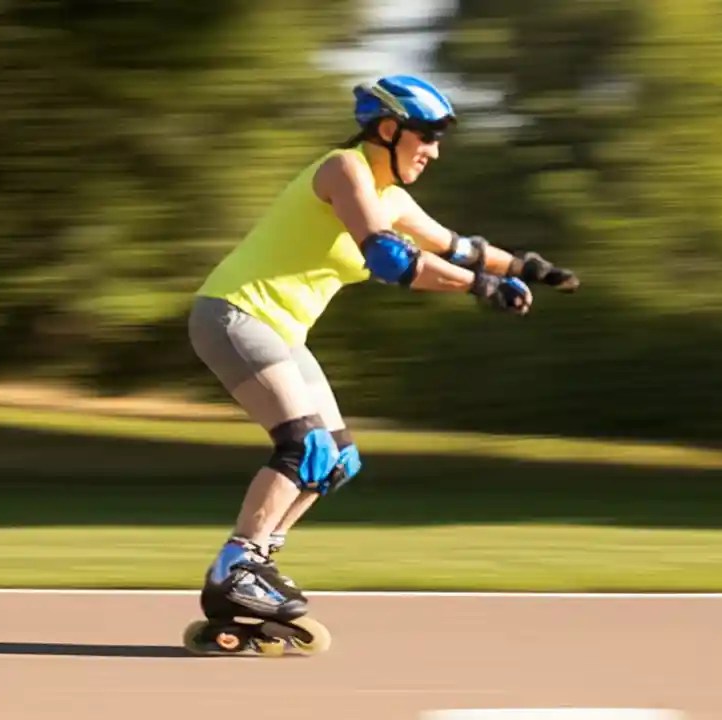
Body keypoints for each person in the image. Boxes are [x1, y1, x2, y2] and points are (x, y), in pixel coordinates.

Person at [187, 74, 579, 623]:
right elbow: (390, 260)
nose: (435, 152)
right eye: (427, 138)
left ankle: (259, 563)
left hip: (281, 330)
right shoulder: (343, 170)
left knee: (338, 460)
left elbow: (462, 247)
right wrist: (479, 287)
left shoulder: (391, 197)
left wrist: (528, 268)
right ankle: (235, 569)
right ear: (390, 130)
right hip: (236, 312)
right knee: (304, 448)